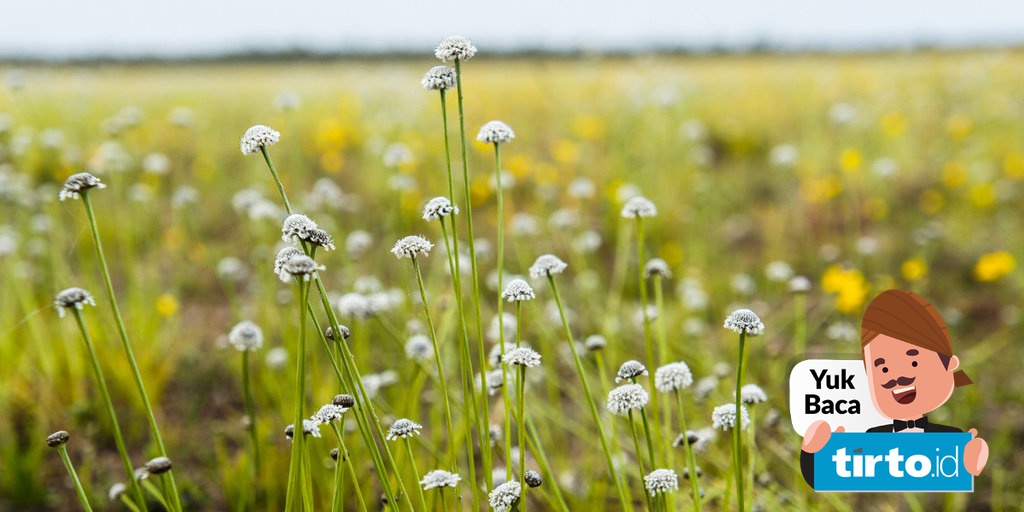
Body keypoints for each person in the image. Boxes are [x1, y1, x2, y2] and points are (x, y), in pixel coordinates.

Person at [800, 289, 988, 487]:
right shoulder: (872, 438)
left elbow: (963, 470)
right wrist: (815, 453)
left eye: (914, 362)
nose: (897, 378)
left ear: (949, 364)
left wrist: (970, 460)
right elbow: (829, 473)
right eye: (883, 368)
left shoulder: (950, 441)